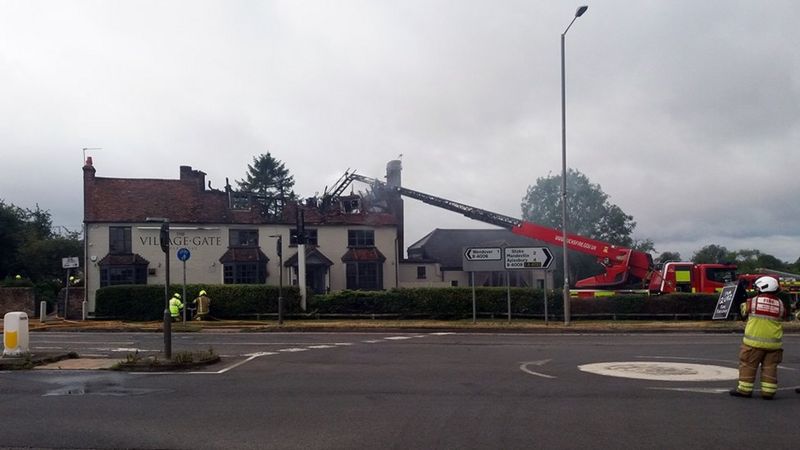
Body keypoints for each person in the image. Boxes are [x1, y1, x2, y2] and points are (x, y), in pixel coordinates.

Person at [730, 276, 788, 399]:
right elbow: (784, 315)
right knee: (770, 367)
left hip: (753, 344)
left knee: (748, 365)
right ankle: (768, 392)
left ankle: (744, 390)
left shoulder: (752, 302)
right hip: (774, 345)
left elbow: (743, 313)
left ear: (762, 287)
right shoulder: (781, 305)